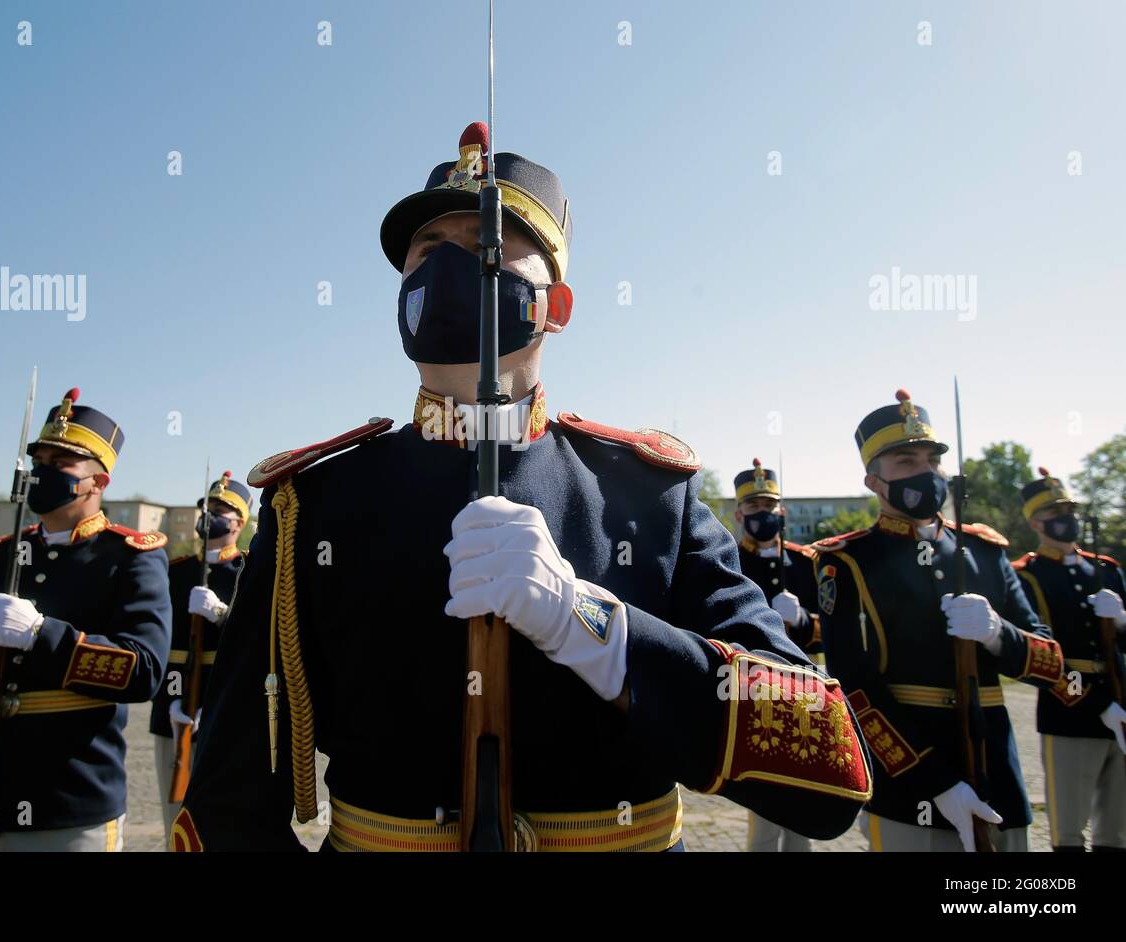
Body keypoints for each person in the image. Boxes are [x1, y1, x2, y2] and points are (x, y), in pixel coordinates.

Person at [172, 123, 871, 852]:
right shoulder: (317, 502)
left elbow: (827, 769)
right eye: (425, 255)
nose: (447, 273)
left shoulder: (651, 496)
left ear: (557, 307)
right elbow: (227, 803)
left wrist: (592, 627)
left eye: (483, 249)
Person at [0, 388, 171, 851]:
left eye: (61, 464)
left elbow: (144, 671)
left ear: (98, 482)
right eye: (40, 461)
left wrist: (42, 635)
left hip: (69, 799)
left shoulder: (129, 557)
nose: (43, 472)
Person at [815, 388, 1062, 851]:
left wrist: (996, 634)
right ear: (873, 481)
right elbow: (853, 688)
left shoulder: (987, 551)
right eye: (906, 462)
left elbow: (1051, 665)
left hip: (1000, 779)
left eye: (932, 460)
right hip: (912, 784)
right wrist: (935, 781)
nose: (925, 473)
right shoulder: (849, 560)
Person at [1010, 467, 1126, 851]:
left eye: (1069, 511)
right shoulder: (1028, 577)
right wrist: (1096, 704)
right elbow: (1037, 658)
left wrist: (1123, 621)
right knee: (1069, 831)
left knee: (1117, 829)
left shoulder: (1106, 570)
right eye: (1055, 515)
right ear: (1036, 523)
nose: (1066, 520)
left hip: (1122, 708)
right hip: (1069, 713)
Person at [150, 470, 249, 844]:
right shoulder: (172, 572)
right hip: (173, 709)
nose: (211, 514)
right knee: (173, 816)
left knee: (220, 816)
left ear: (240, 521)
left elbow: (253, 643)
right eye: (208, 506)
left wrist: (224, 617)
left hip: (222, 706)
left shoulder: (247, 569)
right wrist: (169, 698)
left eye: (222, 509)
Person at [732, 458, 822, 852]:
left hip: (806, 689)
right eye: (754, 508)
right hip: (757, 689)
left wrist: (803, 620)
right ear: (739, 514)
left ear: (781, 512)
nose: (763, 515)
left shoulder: (807, 563)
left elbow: (832, 632)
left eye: (769, 507)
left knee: (807, 792)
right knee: (766, 802)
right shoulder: (730, 560)